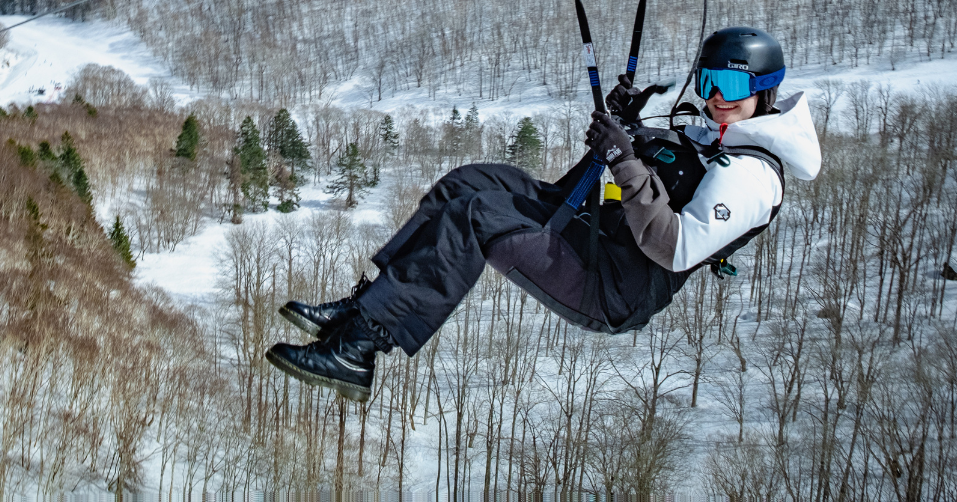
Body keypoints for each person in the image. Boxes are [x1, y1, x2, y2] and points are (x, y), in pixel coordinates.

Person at [265, 26, 822, 401]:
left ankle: (358, 349)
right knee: (470, 182)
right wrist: (627, 128)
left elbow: (672, 246)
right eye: (708, 83)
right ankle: (364, 309)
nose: (716, 98)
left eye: (730, 86)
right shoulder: (711, 132)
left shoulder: (751, 177)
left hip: (610, 285)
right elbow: (647, 165)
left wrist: (624, 160)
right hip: (593, 235)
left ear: (764, 90)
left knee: (476, 217)